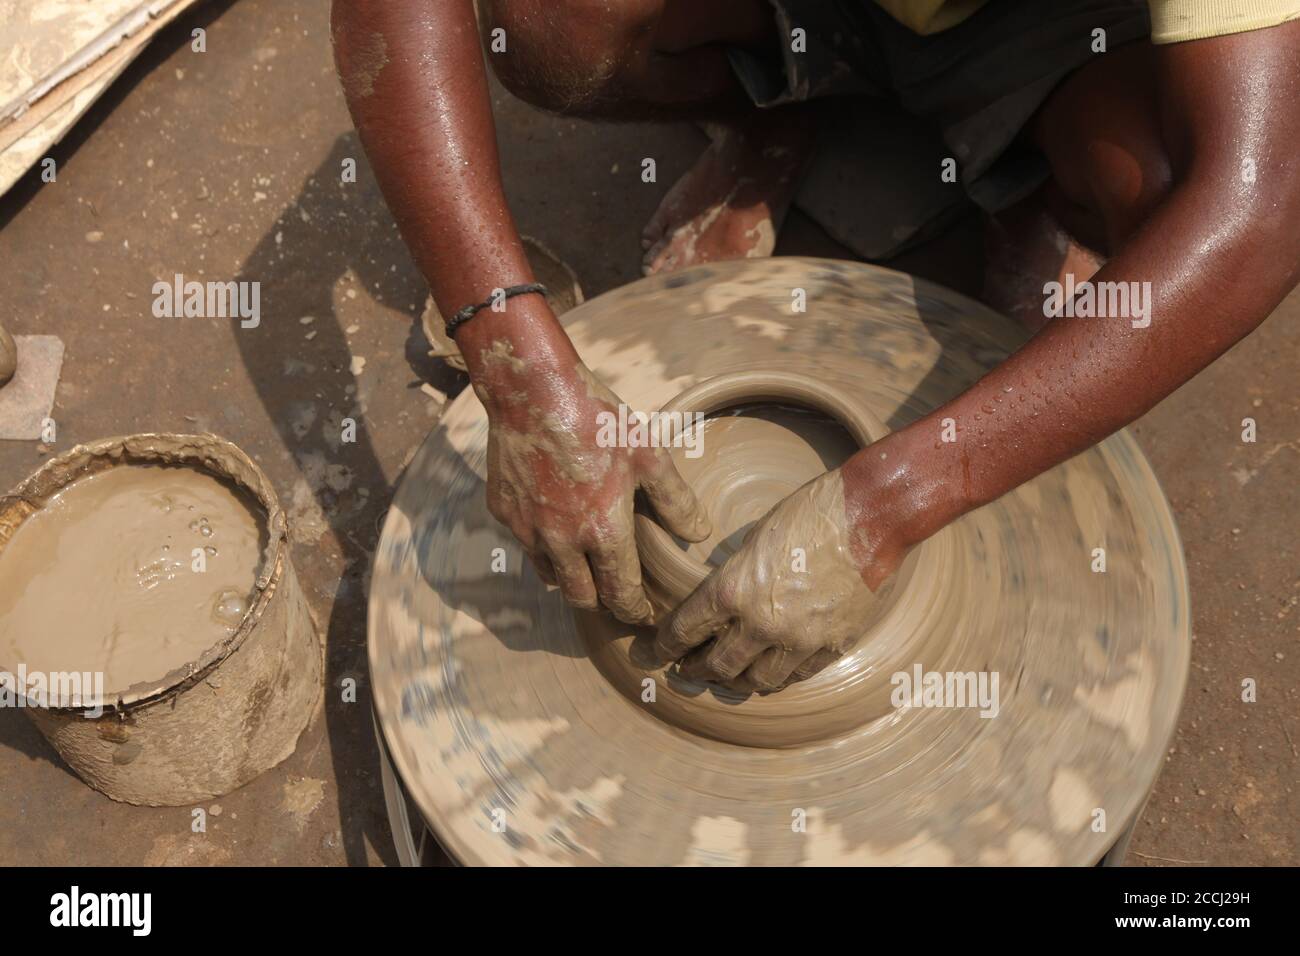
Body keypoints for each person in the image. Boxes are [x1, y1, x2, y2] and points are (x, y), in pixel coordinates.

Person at [331, 0, 1300, 691]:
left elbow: (1260, 210)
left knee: (1169, 188)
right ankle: (779, 112)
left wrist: (887, 502)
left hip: (1059, 29)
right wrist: (516, 366)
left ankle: (1034, 175)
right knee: (547, 22)